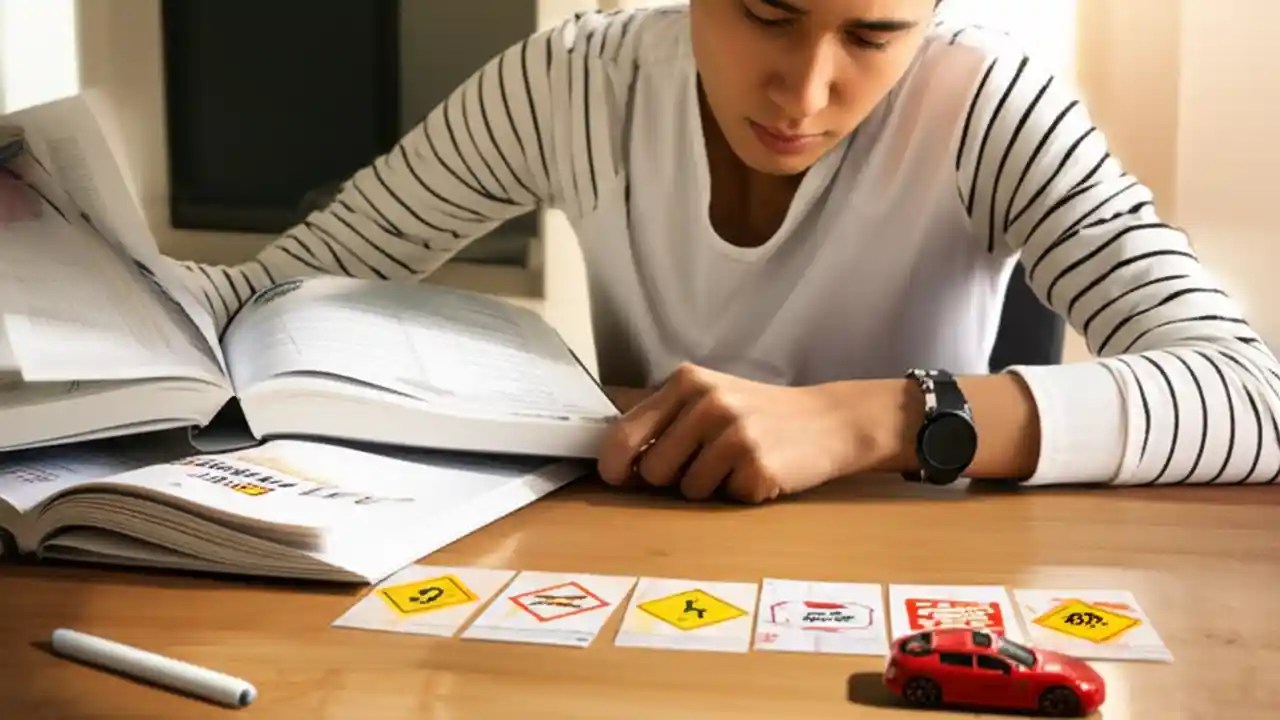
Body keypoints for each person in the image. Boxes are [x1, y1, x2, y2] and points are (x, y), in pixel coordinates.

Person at [177, 0, 1279, 502]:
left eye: (871, 35)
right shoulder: (573, 84)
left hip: (903, 588)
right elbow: (277, 292)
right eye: (765, 13)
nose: (803, 95)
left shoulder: (988, 102)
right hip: (637, 565)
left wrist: (878, 417)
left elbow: (1252, 397)